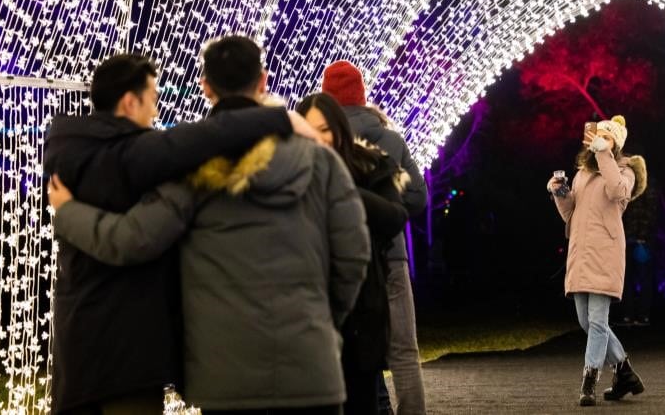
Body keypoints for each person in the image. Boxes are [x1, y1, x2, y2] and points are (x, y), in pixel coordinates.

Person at [49, 37, 370, 413]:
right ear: (263, 81)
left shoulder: (192, 170)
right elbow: (354, 255)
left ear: (206, 87)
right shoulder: (321, 162)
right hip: (311, 369)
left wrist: (67, 212)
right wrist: (322, 321)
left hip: (224, 376)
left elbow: (134, 238)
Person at [321, 61, 428, 415]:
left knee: (350, 346)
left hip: (336, 258)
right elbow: (417, 197)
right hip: (389, 255)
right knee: (403, 349)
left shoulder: (320, 141)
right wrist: (385, 211)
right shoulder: (390, 139)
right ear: (362, 95)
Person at [297, 93, 408, 415]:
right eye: (309, 130)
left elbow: (394, 218)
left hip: (362, 304)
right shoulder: (289, 170)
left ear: (340, 130)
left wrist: (343, 188)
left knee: (362, 397)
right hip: (309, 309)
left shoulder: (368, 164)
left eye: (325, 129)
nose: (318, 138)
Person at [547, 115, 647, 407]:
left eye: (605, 137)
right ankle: (624, 371)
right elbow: (571, 213)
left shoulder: (624, 171)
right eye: (596, 136)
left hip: (605, 252)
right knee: (586, 321)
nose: (596, 139)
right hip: (581, 252)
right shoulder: (582, 173)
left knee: (598, 322)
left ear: (614, 143)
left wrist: (604, 153)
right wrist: (559, 192)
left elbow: (617, 192)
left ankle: (589, 381)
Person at [621, 180, 656, 327]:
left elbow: (651, 213)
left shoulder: (648, 189)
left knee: (643, 278)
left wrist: (643, 237)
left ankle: (643, 314)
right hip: (627, 240)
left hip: (642, 241)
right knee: (627, 278)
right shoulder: (624, 187)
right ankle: (628, 314)